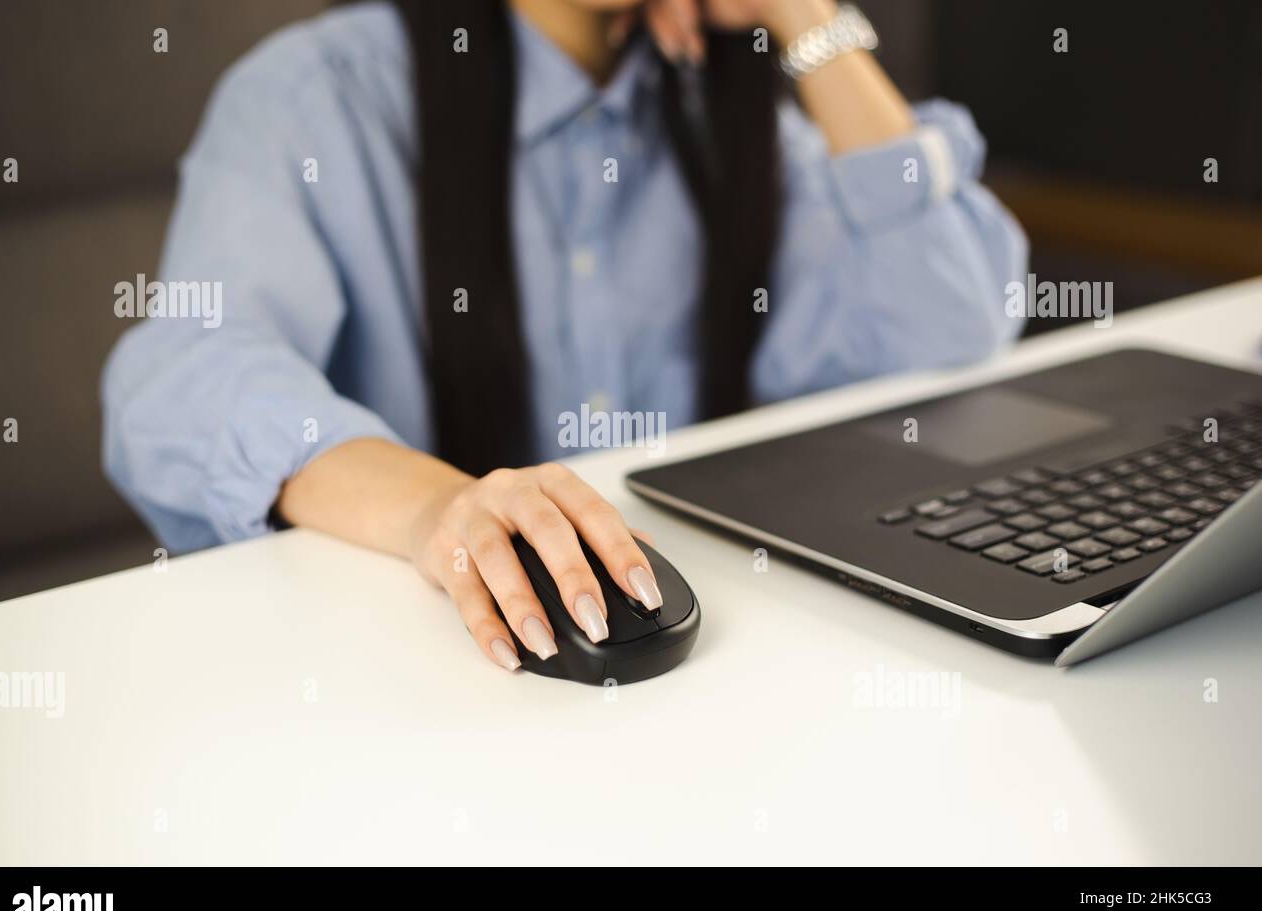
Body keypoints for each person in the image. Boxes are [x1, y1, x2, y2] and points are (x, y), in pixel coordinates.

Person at [102, 0, 1027, 673]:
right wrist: (438, 510)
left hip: (731, 680)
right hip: (412, 693)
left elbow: (950, 324)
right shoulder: (314, 98)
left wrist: (805, 20)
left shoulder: (720, 97)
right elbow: (190, 368)